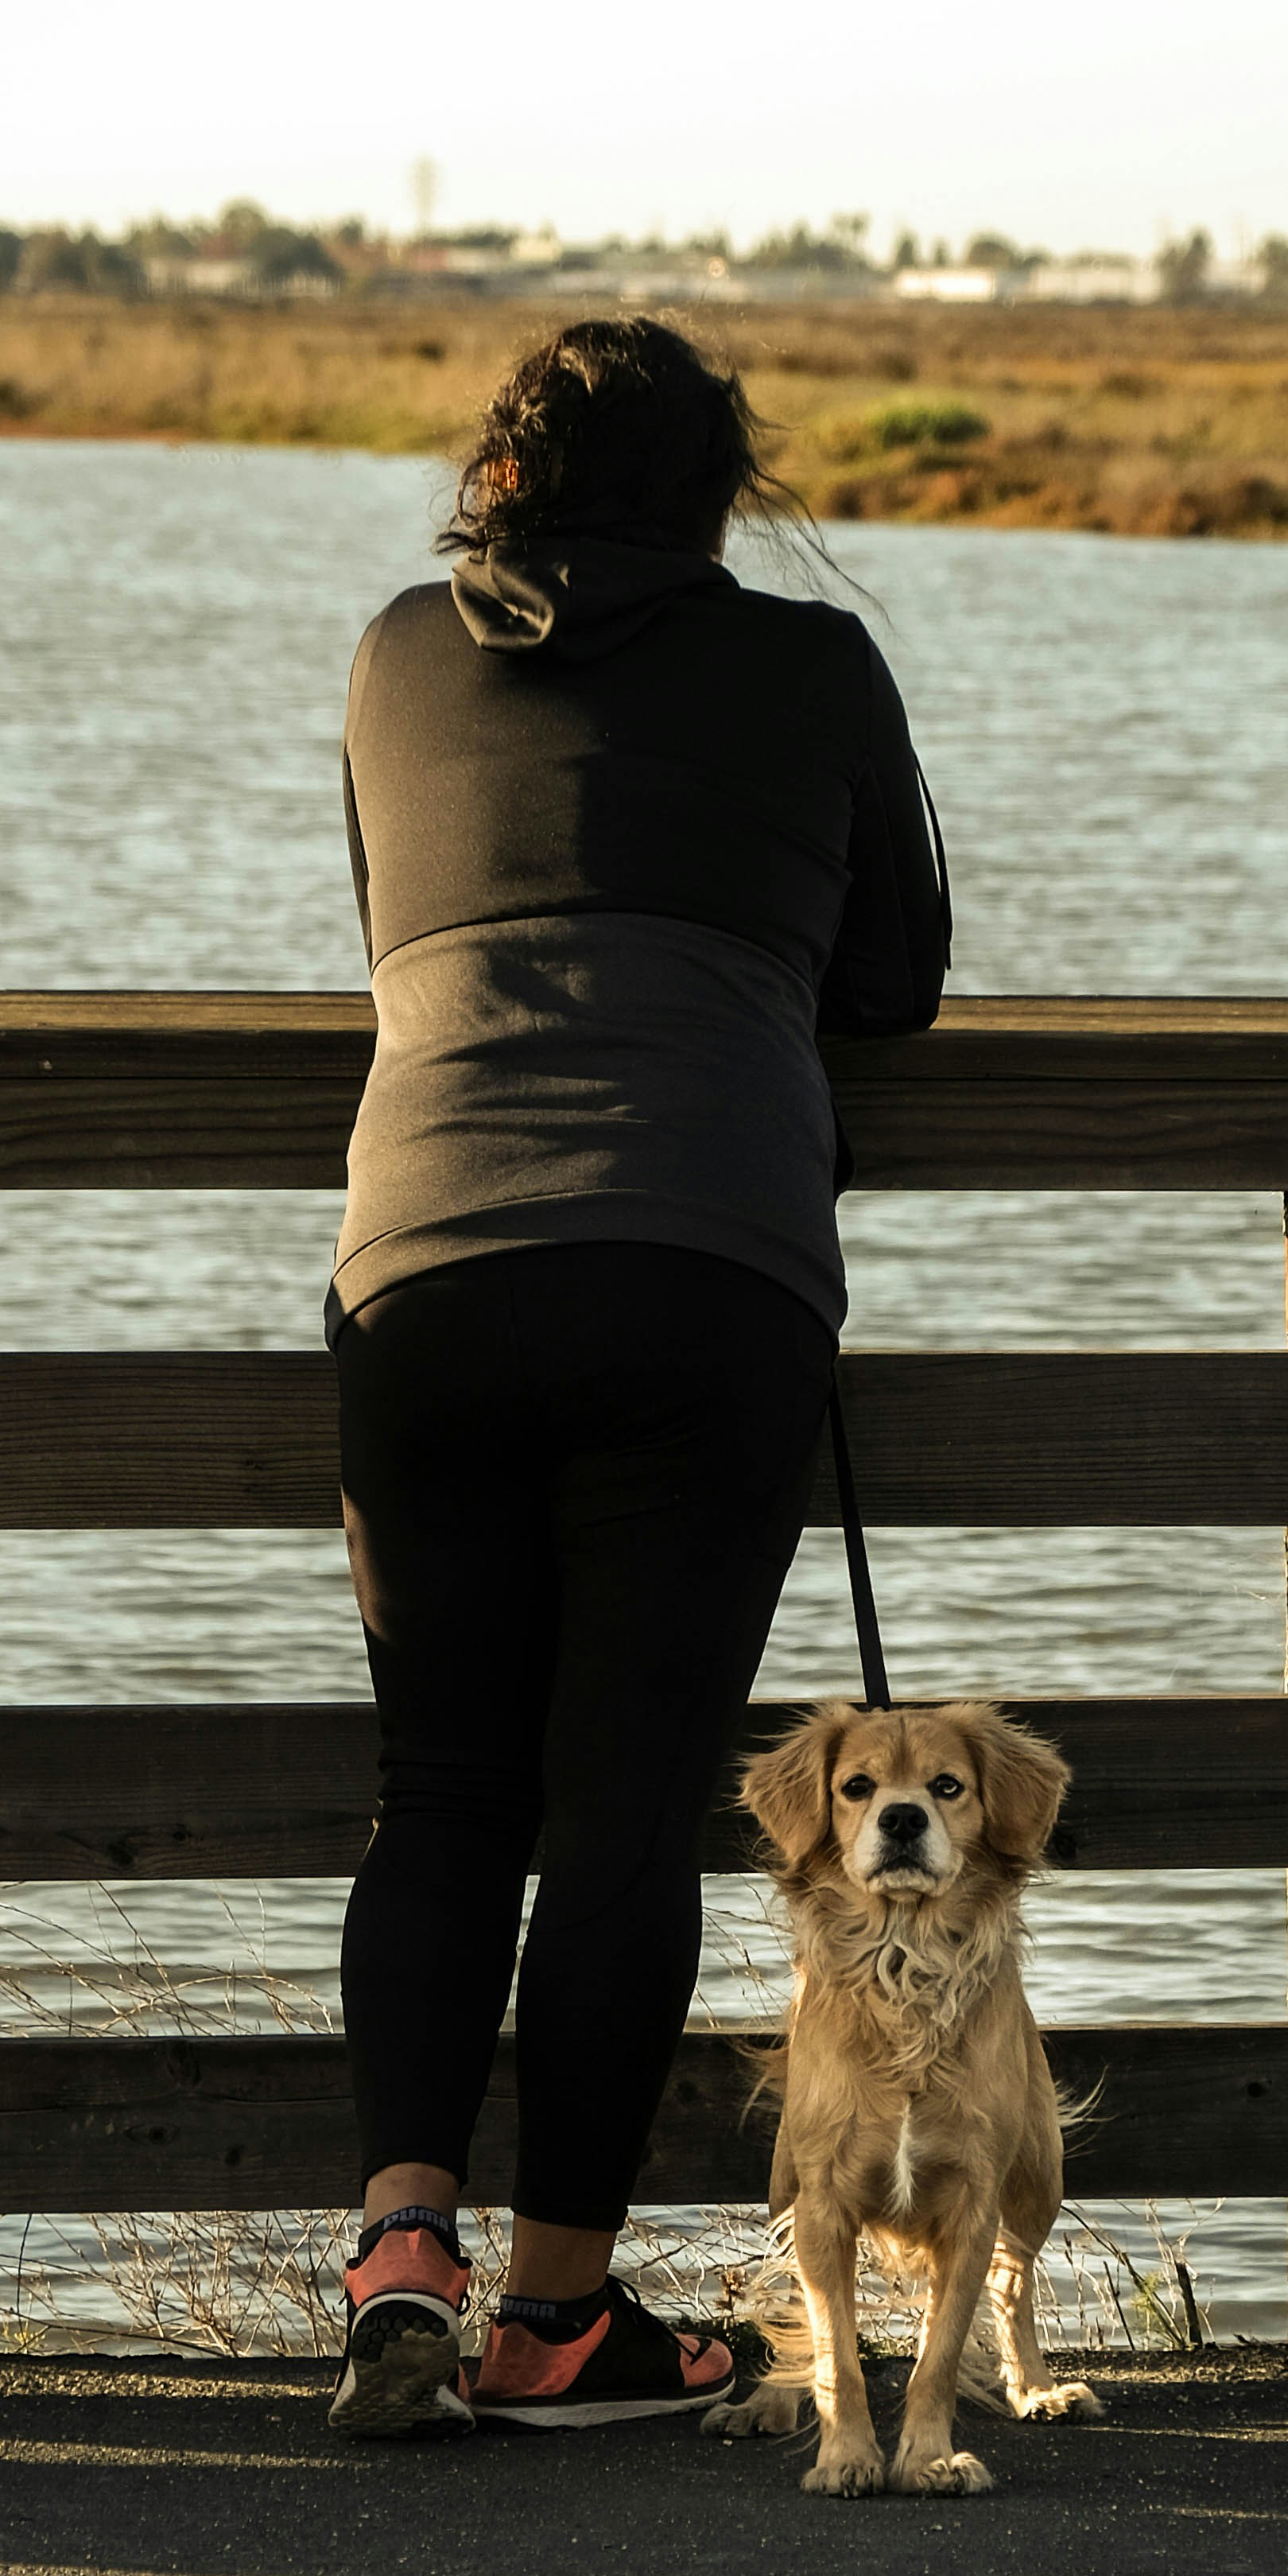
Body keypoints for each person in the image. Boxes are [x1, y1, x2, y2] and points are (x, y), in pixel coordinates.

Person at [323, 316, 951, 2437]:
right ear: (716, 487)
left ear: (498, 480)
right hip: (707, 1274)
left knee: (438, 1788)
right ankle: (557, 2319)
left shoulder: (402, 655)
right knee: (615, 1815)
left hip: (425, 1263)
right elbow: (897, 979)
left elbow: (392, 925)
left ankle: (400, 2235)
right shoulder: (811, 670)